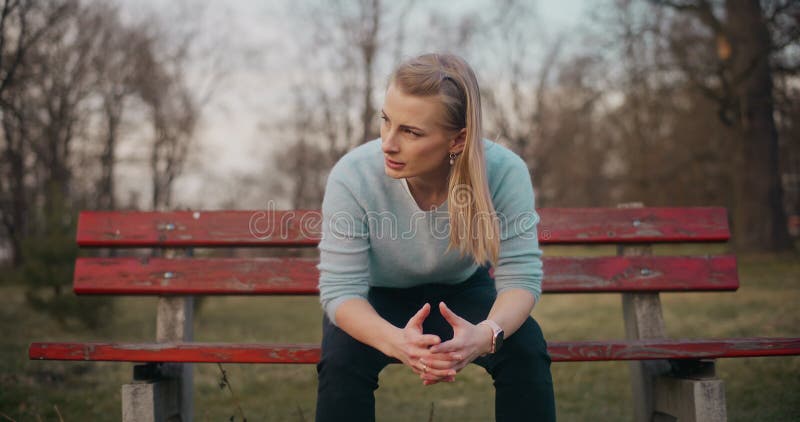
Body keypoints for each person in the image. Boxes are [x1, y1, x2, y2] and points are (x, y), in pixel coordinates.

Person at [315, 53, 555, 422]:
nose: (388, 143)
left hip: (462, 289)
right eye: (386, 120)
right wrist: (397, 342)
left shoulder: (504, 172)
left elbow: (520, 278)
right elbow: (341, 291)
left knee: (525, 348)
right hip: (378, 295)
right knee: (341, 359)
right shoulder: (353, 175)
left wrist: (485, 335)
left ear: (458, 139)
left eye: (411, 132)